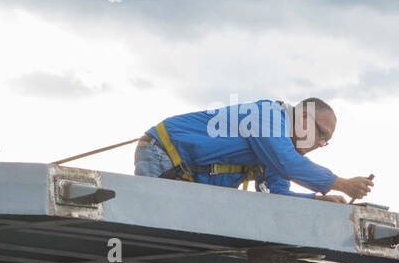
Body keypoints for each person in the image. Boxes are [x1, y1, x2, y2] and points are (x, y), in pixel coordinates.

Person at [134, 97, 373, 201]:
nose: (320, 145)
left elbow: (275, 194)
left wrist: (317, 201)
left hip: (184, 172)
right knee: (153, 227)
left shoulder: (278, 149)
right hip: (163, 154)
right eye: (321, 134)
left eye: (325, 141)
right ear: (302, 117)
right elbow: (287, 162)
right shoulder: (269, 116)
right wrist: (342, 184)